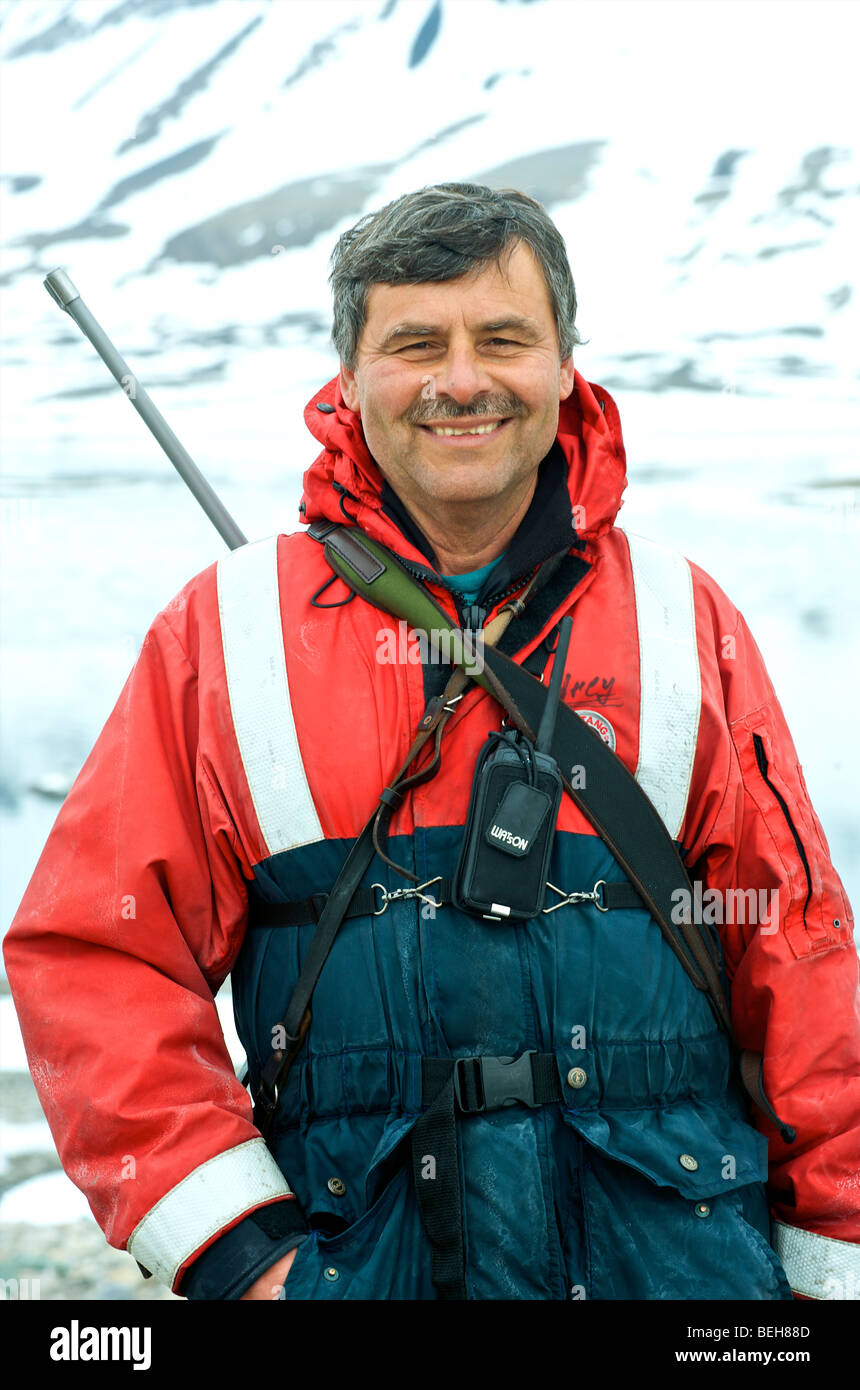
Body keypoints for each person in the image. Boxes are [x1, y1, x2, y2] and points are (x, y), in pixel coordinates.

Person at [4, 184, 858, 1302]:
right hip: (358, 1267)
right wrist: (244, 1259)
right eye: (414, 344)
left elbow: (793, 952)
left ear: (563, 367)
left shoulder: (680, 619)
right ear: (349, 380)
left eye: (501, 338)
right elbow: (96, 958)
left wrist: (827, 1271)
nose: (461, 380)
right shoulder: (223, 632)